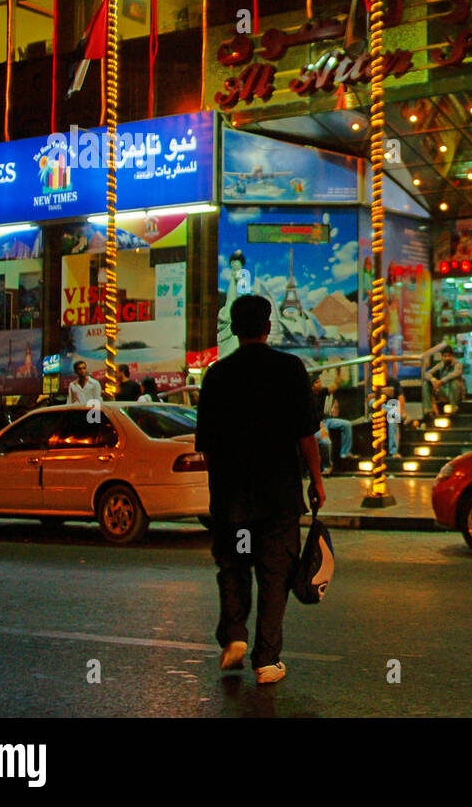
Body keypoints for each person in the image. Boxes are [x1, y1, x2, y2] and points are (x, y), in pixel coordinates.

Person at [195, 294, 324, 685]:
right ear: (269, 327)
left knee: (234, 566)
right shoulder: (289, 368)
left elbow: (206, 447)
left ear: (234, 330)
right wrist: (316, 481)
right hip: (279, 497)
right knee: (274, 575)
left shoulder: (216, 375)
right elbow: (307, 435)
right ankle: (267, 660)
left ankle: (234, 636)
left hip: (233, 500)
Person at [422, 348, 465, 419]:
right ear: (442, 357)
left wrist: (441, 381)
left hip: (456, 393)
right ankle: (429, 410)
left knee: (454, 382)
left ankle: (454, 408)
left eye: (449, 356)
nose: (447, 358)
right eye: (444, 356)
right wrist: (433, 380)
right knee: (426, 384)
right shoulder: (441, 364)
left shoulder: (458, 365)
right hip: (444, 391)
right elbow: (427, 374)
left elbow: (454, 374)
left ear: (452, 356)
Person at [384, 375, 404, 458]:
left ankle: (394, 451)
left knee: (393, 417)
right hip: (377, 407)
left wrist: (401, 410)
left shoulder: (394, 381)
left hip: (391, 407)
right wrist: (381, 391)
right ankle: (393, 410)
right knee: (372, 401)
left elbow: (401, 397)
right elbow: (368, 398)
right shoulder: (372, 380)